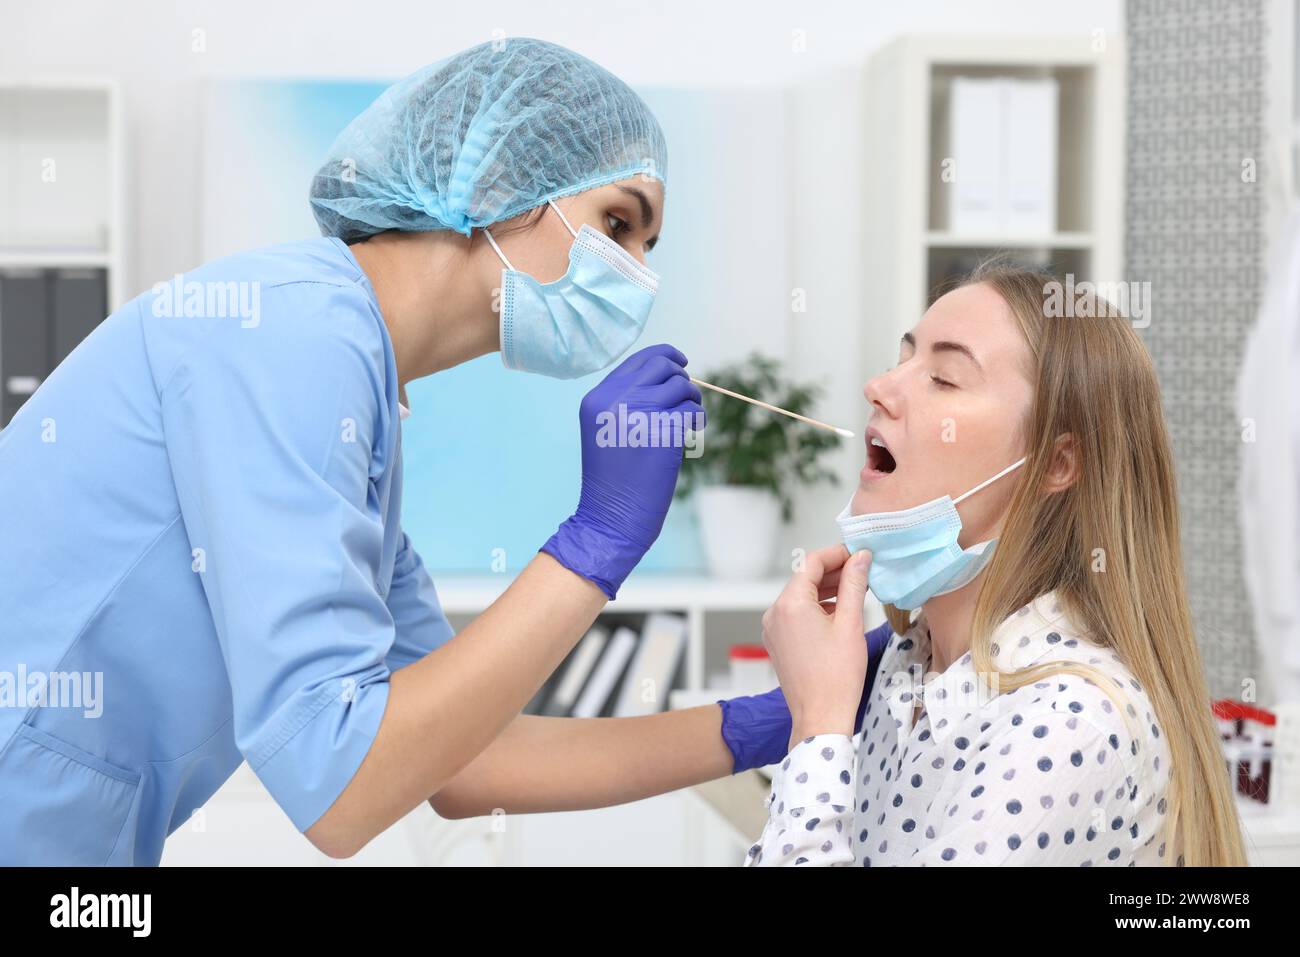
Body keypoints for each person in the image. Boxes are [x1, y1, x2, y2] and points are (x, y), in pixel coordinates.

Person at [0, 37, 792, 866]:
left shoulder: (356, 395)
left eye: (647, 248)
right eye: (619, 224)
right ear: (496, 185)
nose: (637, 277)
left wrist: (766, 724)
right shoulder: (292, 333)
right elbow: (341, 789)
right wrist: (601, 536)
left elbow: (463, 757)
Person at [744, 261, 1248, 866]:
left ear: (1057, 464)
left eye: (944, 378)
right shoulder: (911, 666)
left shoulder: (1068, 726)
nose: (880, 385)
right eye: (903, 359)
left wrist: (818, 726)